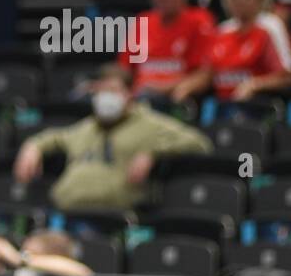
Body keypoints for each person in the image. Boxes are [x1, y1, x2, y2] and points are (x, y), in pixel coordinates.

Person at [14, 64, 211, 212]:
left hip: (115, 217)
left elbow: (199, 143)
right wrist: (32, 147)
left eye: (113, 91)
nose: (106, 97)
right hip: (68, 212)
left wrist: (153, 153)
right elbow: (54, 138)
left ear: (129, 94)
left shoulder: (151, 123)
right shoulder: (87, 127)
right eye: (101, 91)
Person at [178, 0, 291, 103]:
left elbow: (287, 77)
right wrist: (186, 87)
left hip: (258, 105)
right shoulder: (223, 30)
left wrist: (255, 85)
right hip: (222, 106)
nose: (240, 2)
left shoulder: (270, 26)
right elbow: (207, 74)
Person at [118, 0, 216, 101]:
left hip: (173, 100)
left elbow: (205, 75)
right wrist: (113, 83)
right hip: (139, 100)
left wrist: (178, 88)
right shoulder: (142, 21)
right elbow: (124, 69)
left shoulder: (200, 21)